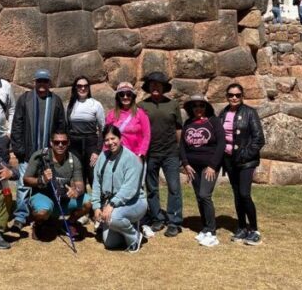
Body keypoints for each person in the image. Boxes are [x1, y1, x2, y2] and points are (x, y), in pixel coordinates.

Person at [10, 69, 66, 230]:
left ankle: (48, 214)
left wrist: (57, 151)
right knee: (23, 185)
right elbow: (17, 125)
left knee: (49, 184)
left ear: (50, 83)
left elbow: (61, 126)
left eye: (45, 81)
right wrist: (19, 150)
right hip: (28, 153)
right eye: (39, 81)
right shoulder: (25, 99)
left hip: (49, 154)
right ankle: (21, 216)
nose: (42, 84)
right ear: (35, 82)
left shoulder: (55, 100)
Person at [219, 83, 265, 246]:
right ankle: (241, 226)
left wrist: (245, 155)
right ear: (227, 96)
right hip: (229, 161)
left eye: (238, 95)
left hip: (246, 162)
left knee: (245, 194)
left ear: (242, 96)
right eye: (231, 95)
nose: (234, 98)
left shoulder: (250, 113)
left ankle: (254, 229)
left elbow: (259, 139)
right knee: (237, 195)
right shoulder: (223, 113)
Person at [22, 130, 91, 239]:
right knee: (42, 213)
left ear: (68, 143)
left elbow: (80, 184)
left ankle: (69, 223)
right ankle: (39, 223)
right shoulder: (40, 156)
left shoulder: (74, 160)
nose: (60, 145)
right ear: (51, 143)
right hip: (44, 197)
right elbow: (26, 180)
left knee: (88, 202)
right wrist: (42, 180)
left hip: (64, 199)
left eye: (64, 142)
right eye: (56, 142)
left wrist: (76, 191)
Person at [138, 72, 183, 239]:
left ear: (164, 87)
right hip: (150, 153)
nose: (155, 87)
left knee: (174, 187)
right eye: (152, 84)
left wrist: (180, 151)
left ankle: (174, 221)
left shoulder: (173, 105)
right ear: (148, 87)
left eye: (159, 84)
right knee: (151, 188)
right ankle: (157, 217)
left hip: (170, 153)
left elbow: (178, 128)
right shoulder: (142, 106)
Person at [91, 125, 147, 253]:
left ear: (120, 138)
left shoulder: (131, 159)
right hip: (112, 204)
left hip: (134, 202)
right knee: (110, 243)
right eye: (106, 140)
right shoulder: (102, 157)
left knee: (112, 218)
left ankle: (134, 236)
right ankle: (126, 225)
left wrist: (111, 204)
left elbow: (130, 189)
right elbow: (96, 183)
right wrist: (96, 206)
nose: (110, 143)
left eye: (113, 138)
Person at [180, 95, 225, 247]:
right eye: (195, 106)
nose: (198, 108)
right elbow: (181, 146)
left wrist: (213, 165)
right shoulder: (188, 122)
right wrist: (185, 164)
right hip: (193, 166)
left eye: (202, 105)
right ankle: (205, 227)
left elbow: (221, 144)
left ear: (207, 107)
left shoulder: (214, 121)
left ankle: (212, 231)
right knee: (199, 197)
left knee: (205, 195)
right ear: (191, 109)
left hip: (209, 166)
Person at [66, 76, 105, 186]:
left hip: (90, 144)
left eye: (85, 86)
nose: (82, 88)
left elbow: (103, 129)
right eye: (79, 86)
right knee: (78, 177)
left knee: (93, 176)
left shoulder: (96, 105)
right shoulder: (70, 105)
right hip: (74, 145)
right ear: (75, 88)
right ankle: (81, 202)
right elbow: (67, 128)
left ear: (89, 88)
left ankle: (97, 202)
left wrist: (97, 151)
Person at [105, 82, 150, 159]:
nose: (125, 97)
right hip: (116, 155)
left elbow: (146, 135)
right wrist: (106, 153)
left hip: (135, 155)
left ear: (133, 96)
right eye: (122, 94)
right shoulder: (111, 114)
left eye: (129, 94)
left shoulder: (141, 113)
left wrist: (141, 154)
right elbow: (106, 135)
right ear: (118, 97)